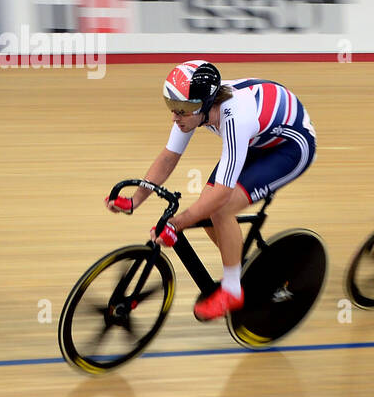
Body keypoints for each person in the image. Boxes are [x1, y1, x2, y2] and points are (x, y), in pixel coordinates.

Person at [105, 60, 317, 319]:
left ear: (203, 105)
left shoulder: (235, 117)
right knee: (207, 215)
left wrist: (177, 223)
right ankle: (238, 269)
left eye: (181, 110)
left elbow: (222, 196)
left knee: (220, 209)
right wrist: (136, 199)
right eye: (172, 107)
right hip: (257, 139)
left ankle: (232, 290)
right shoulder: (194, 107)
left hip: (290, 147)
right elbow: (169, 157)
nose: (175, 116)